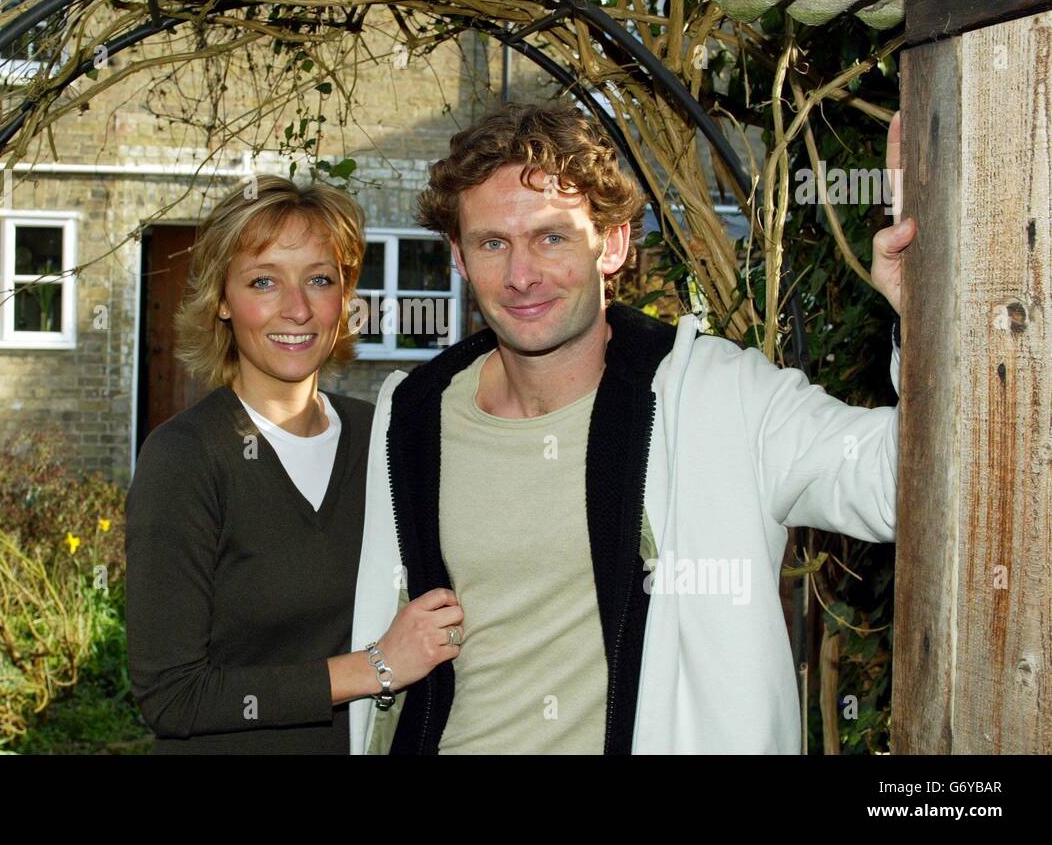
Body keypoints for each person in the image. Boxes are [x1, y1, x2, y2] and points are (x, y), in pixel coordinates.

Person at [349, 101, 916, 754]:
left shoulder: (712, 395)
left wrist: (926, 307)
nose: (521, 274)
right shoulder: (411, 412)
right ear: (458, 255)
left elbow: (894, 486)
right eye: (492, 242)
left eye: (552, 237)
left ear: (610, 243)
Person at [125, 174, 463, 753]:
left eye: (319, 279)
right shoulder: (186, 457)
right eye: (264, 281)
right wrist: (374, 667)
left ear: (345, 298)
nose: (298, 308)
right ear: (222, 302)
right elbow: (171, 696)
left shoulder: (382, 435)